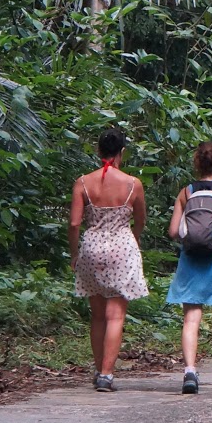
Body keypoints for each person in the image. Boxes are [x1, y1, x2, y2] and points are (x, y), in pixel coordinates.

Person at [69, 127, 148, 392]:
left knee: (98, 316)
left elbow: (74, 223)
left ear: (98, 151)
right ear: (121, 152)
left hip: (91, 247)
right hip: (121, 246)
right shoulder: (133, 184)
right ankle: (107, 374)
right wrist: (132, 239)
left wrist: (74, 254)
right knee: (116, 316)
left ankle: (98, 368)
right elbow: (140, 220)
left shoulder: (82, 183)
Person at [165, 141, 212, 394]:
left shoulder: (185, 193)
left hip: (191, 259)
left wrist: (193, 237)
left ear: (196, 162)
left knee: (191, 318)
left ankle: (190, 373)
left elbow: (173, 231)